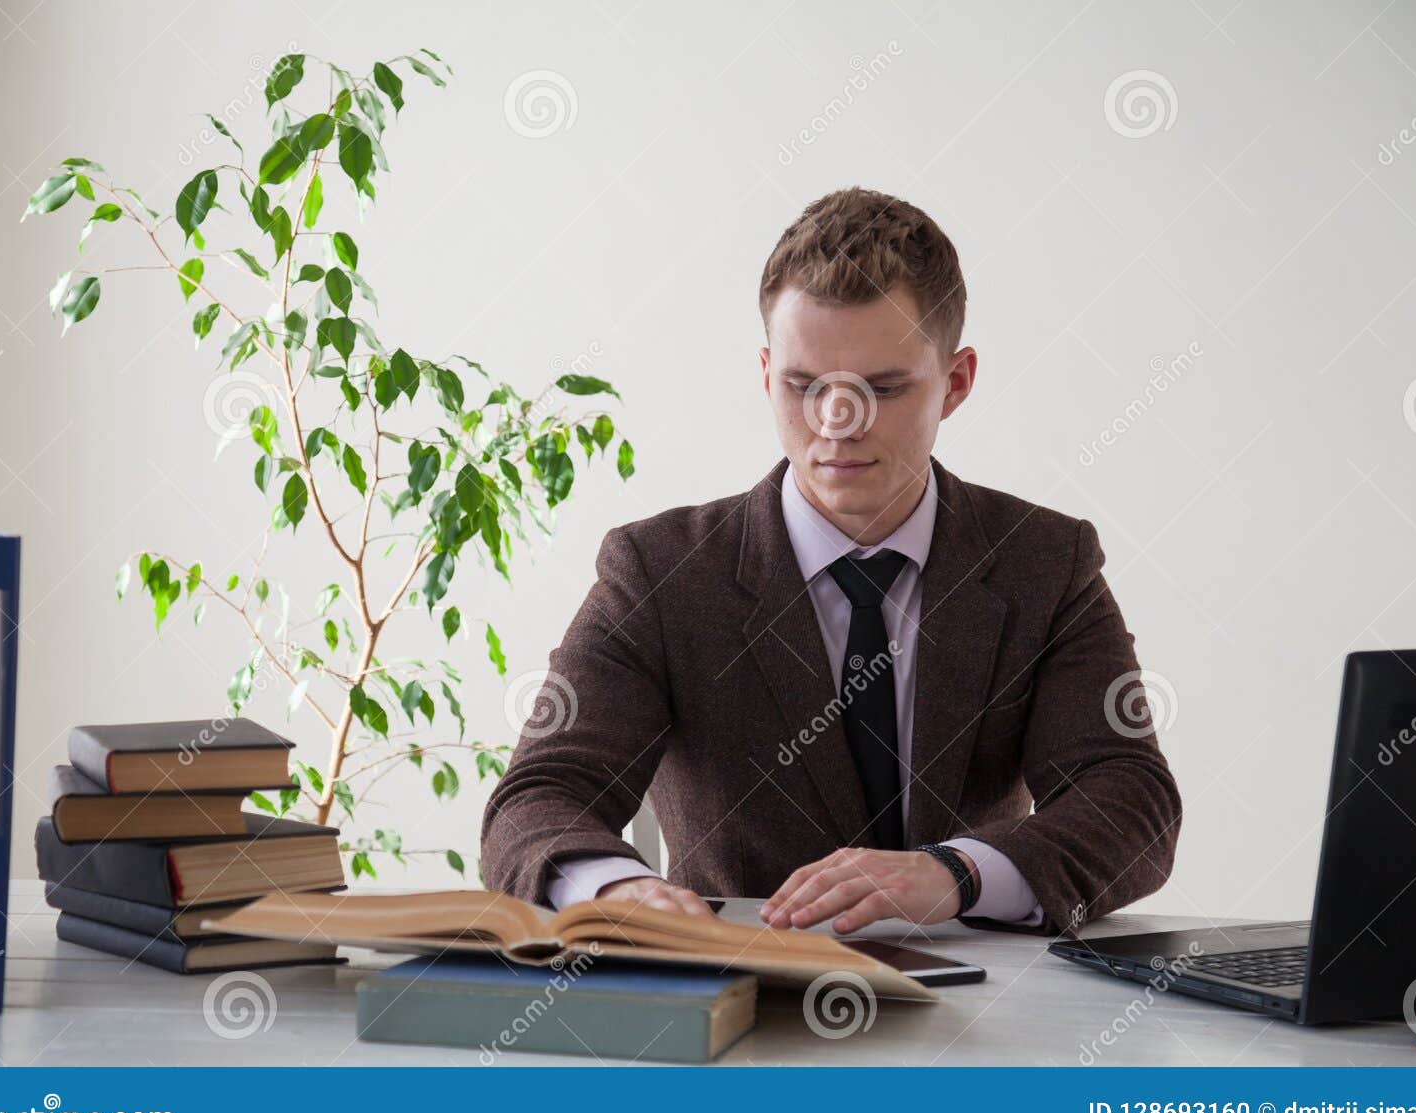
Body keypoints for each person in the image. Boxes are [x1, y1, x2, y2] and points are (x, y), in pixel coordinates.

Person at [480, 187, 1181, 937]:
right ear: (763, 370)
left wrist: (957, 870)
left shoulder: (1045, 562)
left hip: (986, 1012)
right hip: (741, 995)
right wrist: (617, 891)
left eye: (881, 388)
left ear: (957, 382)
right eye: (804, 385)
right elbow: (537, 799)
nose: (835, 423)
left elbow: (1130, 799)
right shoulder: (660, 571)